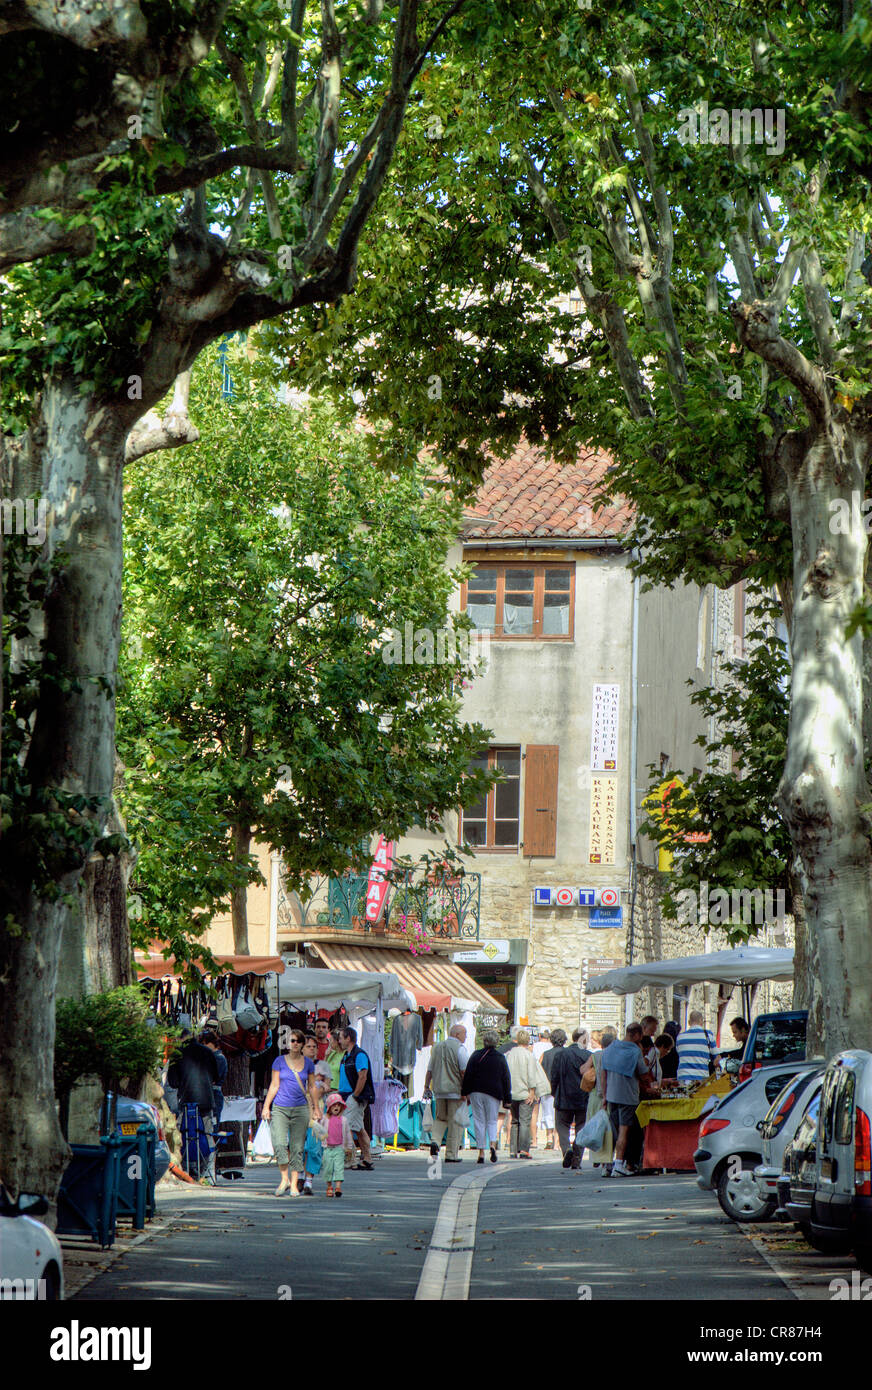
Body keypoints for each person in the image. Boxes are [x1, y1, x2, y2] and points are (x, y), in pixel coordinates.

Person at [262, 1028, 322, 1196]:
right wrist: (266, 1106)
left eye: (298, 1041)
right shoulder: (279, 1061)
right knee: (280, 1144)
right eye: (292, 1040)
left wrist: (316, 1108)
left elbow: (311, 1087)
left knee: (297, 1147)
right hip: (280, 1107)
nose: (295, 1044)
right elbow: (274, 1085)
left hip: (301, 1108)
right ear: (287, 1043)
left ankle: (294, 1184)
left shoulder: (308, 1063)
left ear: (302, 1044)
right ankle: (284, 1179)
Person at [166, 1031, 220, 1181]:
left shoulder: (177, 1054)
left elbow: (173, 1082)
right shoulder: (208, 1052)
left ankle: (183, 1170)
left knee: (182, 1135)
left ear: (180, 1039)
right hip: (206, 1101)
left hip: (186, 1101)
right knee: (208, 1135)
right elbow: (216, 1077)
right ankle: (209, 1173)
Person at [601, 1022, 649, 1178]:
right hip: (628, 1096)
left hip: (611, 1095)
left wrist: (604, 1096)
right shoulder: (635, 1051)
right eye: (640, 1036)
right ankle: (619, 1164)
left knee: (613, 1132)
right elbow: (643, 1074)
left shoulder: (610, 1049)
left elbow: (604, 1074)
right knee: (624, 1131)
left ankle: (607, 1164)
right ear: (635, 1035)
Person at [461, 1028, 513, 1163]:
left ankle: (481, 1152)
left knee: (479, 1121)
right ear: (496, 1042)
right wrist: (508, 1098)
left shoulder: (475, 1055)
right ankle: (492, 1145)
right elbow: (506, 1078)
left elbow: (468, 1075)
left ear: (484, 1041)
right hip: (494, 1093)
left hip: (476, 1092)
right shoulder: (500, 1058)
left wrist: (465, 1092)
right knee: (492, 1120)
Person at [424, 1024, 469, 1163]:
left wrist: (426, 1086)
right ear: (457, 1034)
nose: (465, 1037)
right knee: (455, 1123)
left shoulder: (436, 1048)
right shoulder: (460, 1049)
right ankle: (451, 1154)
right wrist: (466, 1090)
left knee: (440, 1119)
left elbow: (430, 1070)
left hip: (439, 1090)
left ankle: (435, 1141)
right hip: (455, 1091)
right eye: (464, 1034)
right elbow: (463, 1072)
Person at [551, 1028, 593, 1170]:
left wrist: (554, 1092)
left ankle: (566, 1149)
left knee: (562, 1125)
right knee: (581, 1127)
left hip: (564, 1096)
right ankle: (576, 1160)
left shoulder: (561, 1055)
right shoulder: (588, 1055)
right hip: (583, 1097)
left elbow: (554, 1077)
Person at [506, 1029, 551, 1158]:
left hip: (512, 1092)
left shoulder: (510, 1054)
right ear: (528, 1041)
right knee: (524, 1121)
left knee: (514, 1121)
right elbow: (531, 1075)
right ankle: (524, 1150)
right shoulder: (528, 1055)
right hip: (525, 1092)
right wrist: (532, 1092)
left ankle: (512, 1150)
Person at [338, 1025, 376, 1170]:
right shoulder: (347, 1056)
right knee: (359, 1128)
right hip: (347, 1096)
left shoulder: (359, 1055)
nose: (339, 1041)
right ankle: (367, 1158)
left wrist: (355, 1096)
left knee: (344, 1125)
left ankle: (350, 1158)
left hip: (354, 1097)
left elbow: (363, 1076)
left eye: (341, 1038)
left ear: (348, 1038)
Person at [301, 1056, 333, 1195]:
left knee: (314, 1148)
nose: (312, 1049)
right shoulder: (295, 1065)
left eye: (314, 1046)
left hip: (317, 1113)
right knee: (299, 1147)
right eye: (308, 1046)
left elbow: (325, 1088)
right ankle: (300, 1176)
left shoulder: (324, 1065)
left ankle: (308, 1181)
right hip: (299, 1112)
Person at [321, 1093, 353, 1197]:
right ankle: (329, 1186)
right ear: (329, 1107)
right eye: (334, 1105)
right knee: (328, 1168)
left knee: (339, 1168)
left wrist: (349, 1147)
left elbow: (348, 1133)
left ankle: (338, 1187)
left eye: (338, 1105)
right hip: (327, 1148)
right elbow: (317, 1128)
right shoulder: (325, 1119)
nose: (336, 1107)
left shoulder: (344, 1120)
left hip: (339, 1148)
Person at [536, 1029, 562, 1151]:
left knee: (548, 1114)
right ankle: (557, 1142)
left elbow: (538, 1070)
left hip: (547, 1088)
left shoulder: (545, 1054)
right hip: (561, 1089)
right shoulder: (566, 1053)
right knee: (559, 1115)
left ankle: (549, 1139)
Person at [676, 1010, 719, 1082]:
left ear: (689, 1022)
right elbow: (716, 1059)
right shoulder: (708, 1035)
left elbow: (680, 1054)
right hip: (701, 1078)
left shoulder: (680, 1037)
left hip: (683, 1077)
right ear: (701, 1021)